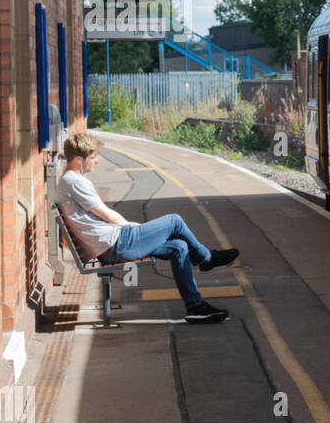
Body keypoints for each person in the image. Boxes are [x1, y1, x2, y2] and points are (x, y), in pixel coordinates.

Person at [57, 132, 238, 324]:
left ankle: (195, 307)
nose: (98, 161)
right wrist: (130, 226)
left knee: (179, 247)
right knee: (174, 221)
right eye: (93, 157)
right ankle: (206, 259)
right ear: (79, 160)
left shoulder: (69, 181)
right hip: (116, 244)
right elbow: (107, 214)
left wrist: (132, 228)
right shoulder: (75, 182)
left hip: (111, 244)